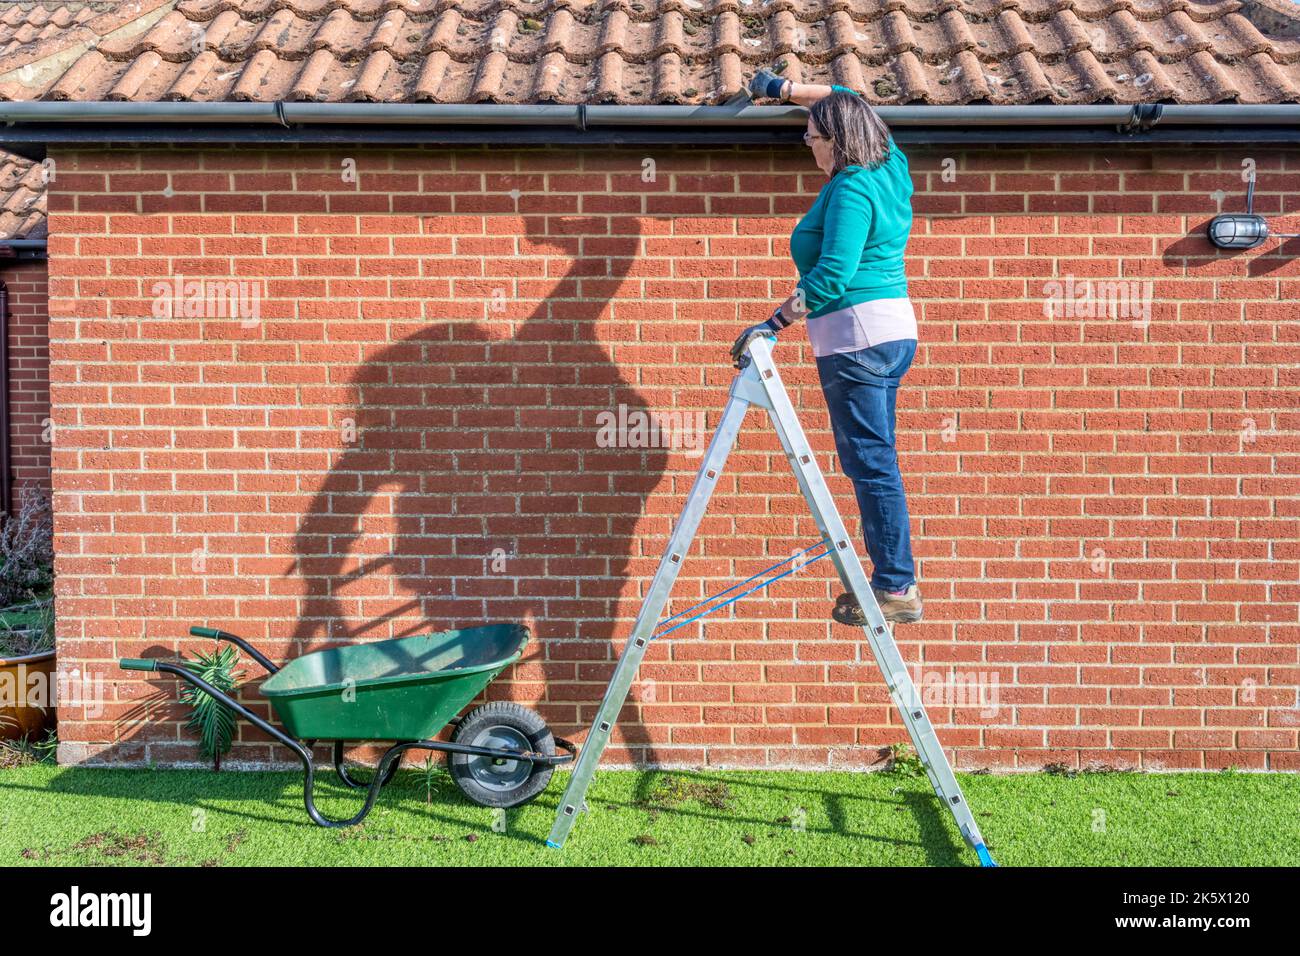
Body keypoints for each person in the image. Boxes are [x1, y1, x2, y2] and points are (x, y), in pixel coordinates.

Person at [730, 70, 922, 625]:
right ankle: (896, 578)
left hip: (855, 338)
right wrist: (783, 92)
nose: (808, 146)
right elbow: (851, 98)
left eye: (812, 137)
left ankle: (896, 587)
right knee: (875, 460)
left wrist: (773, 322)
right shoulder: (891, 166)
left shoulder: (854, 185)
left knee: (870, 463)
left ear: (836, 139)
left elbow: (834, 272)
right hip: (891, 332)